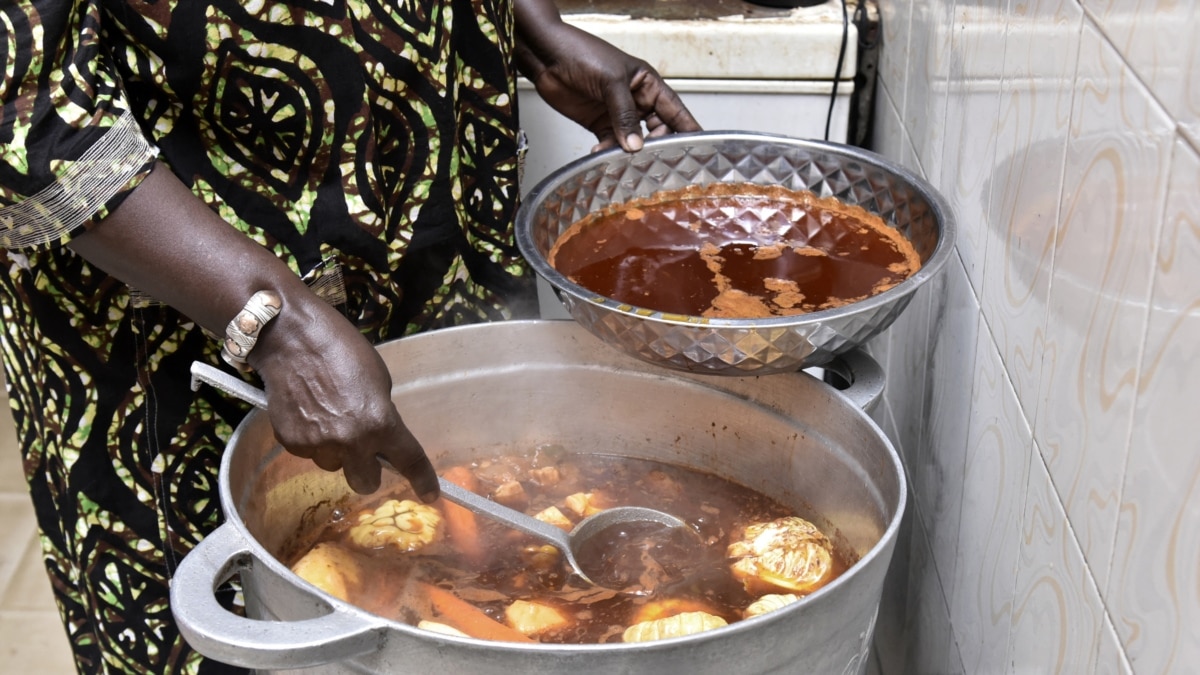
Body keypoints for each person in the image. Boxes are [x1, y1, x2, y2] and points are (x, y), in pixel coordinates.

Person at [0, 0, 701, 672]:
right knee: (242, 627)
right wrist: (276, 326)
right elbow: (22, 111)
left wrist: (526, 22)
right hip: (184, 318)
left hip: (433, 225)